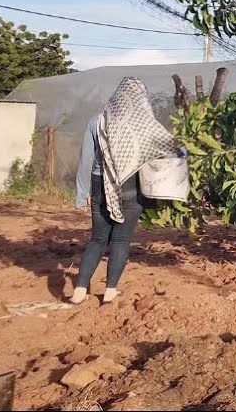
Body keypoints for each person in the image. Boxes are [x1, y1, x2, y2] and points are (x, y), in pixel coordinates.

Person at [71, 78, 177, 304]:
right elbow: (166, 153)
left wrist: (81, 195)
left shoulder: (96, 122)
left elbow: (85, 161)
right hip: (130, 186)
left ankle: (79, 290)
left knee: (98, 239)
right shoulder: (145, 125)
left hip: (100, 184)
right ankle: (110, 291)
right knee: (120, 241)